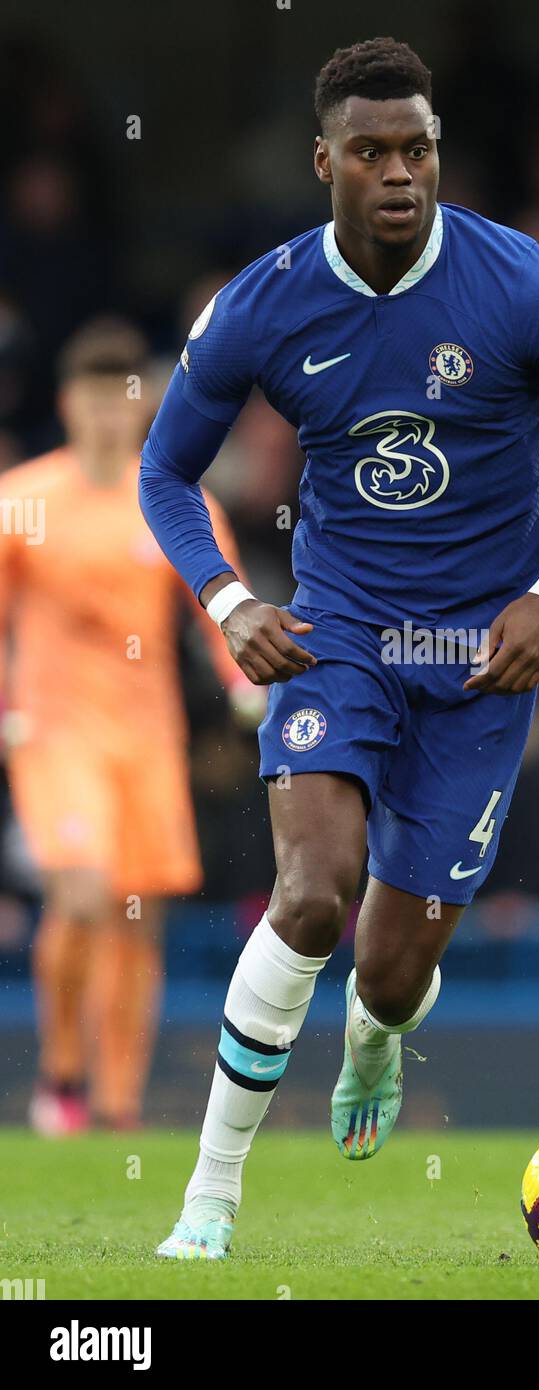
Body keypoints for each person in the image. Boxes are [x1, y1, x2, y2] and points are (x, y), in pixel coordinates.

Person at [139, 37, 539, 1260]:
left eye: (417, 150)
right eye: (371, 152)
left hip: (486, 656)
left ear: (438, 155)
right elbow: (166, 471)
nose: (399, 174)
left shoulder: (523, 286)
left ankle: (374, 1040)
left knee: (384, 972)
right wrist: (226, 600)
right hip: (345, 637)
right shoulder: (262, 304)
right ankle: (207, 1202)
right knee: (312, 896)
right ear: (324, 160)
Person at [0, 318, 257, 1133]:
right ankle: (63, 1074)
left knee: (138, 922)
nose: (112, 413)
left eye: (126, 397)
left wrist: (241, 677)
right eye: (97, 397)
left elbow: (222, 603)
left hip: (147, 739)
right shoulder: (23, 502)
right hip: (54, 733)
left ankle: (115, 1107)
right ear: (69, 402)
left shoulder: (175, 501)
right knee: (79, 894)